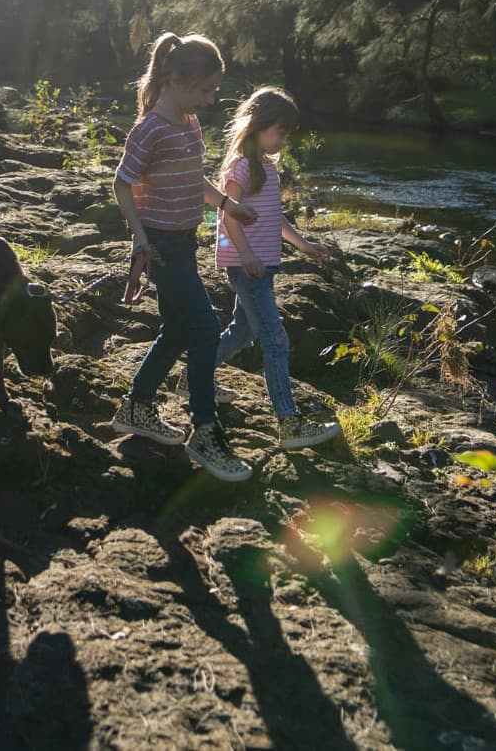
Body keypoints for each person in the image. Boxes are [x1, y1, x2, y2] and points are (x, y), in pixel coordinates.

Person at [111, 32, 259, 482]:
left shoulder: (189, 123)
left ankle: (136, 407)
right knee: (205, 326)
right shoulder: (150, 129)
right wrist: (139, 240)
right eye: (205, 90)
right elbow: (121, 183)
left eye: (214, 90)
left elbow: (194, 179)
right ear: (175, 80)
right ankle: (204, 429)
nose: (211, 100)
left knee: (177, 329)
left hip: (185, 240)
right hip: (161, 245)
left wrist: (228, 205)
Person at [216, 87, 341, 450]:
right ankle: (289, 423)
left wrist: (303, 244)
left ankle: (195, 376)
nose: (284, 140)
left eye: (287, 134)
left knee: (241, 332)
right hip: (248, 267)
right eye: (280, 132)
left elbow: (274, 216)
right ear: (258, 125)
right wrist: (245, 255)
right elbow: (227, 216)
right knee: (275, 340)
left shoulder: (266, 166)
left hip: (263, 266)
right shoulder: (241, 165)